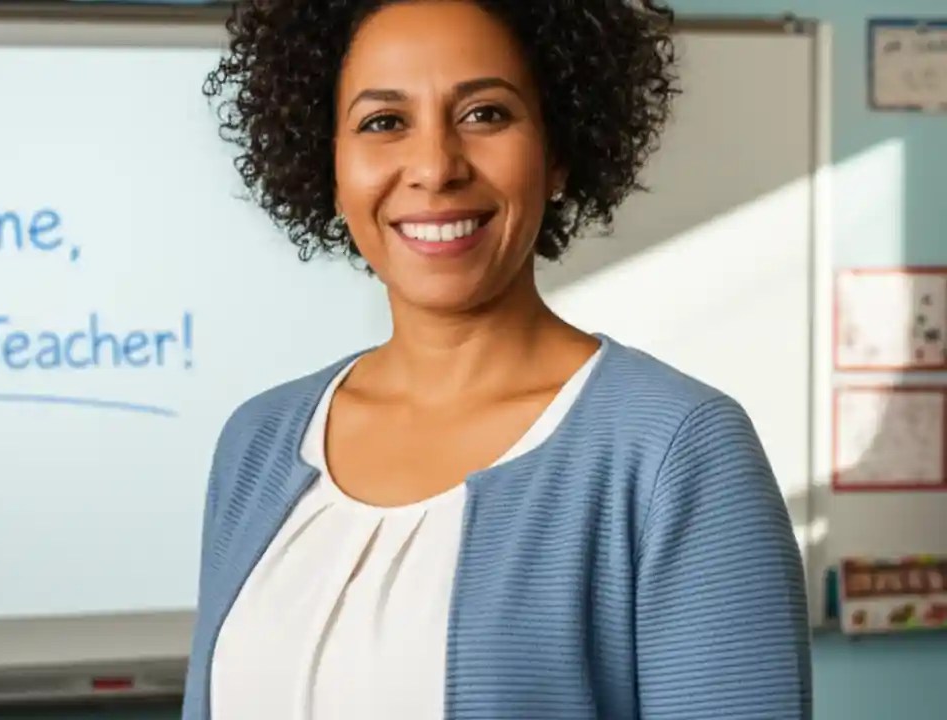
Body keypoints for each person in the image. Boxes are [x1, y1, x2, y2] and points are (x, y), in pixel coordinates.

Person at [183, 0, 812, 718]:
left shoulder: (675, 450)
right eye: (384, 122)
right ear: (328, 167)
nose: (435, 167)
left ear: (558, 153)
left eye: (485, 114)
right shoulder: (258, 442)